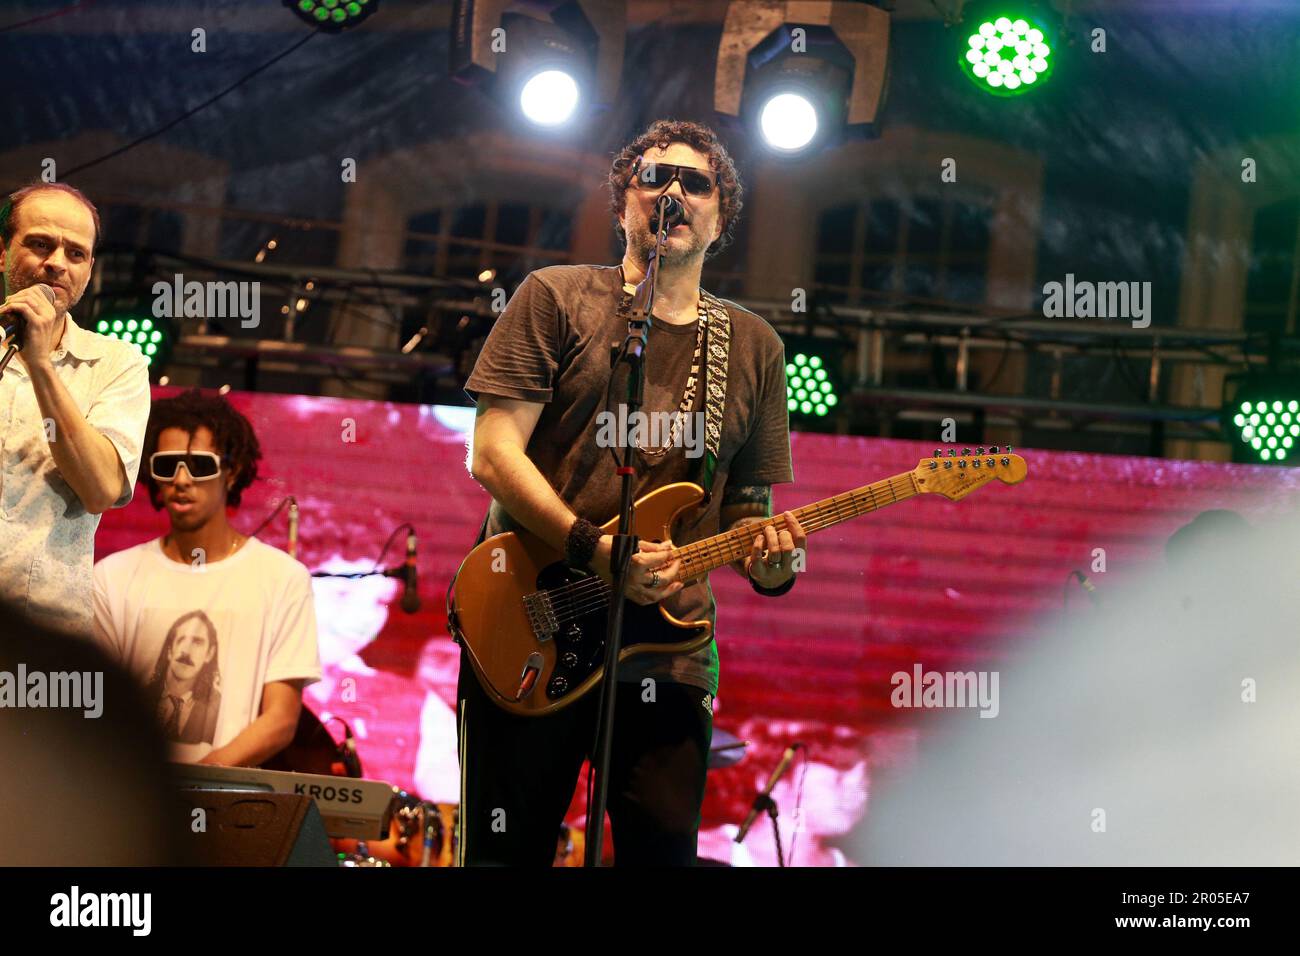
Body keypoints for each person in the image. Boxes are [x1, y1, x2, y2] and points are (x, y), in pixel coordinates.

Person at [458, 118, 805, 865]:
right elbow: (492, 456)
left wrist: (774, 566)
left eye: (696, 183)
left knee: (660, 853)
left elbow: (750, 514)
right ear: (624, 206)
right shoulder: (555, 298)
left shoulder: (754, 348)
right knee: (503, 852)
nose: (673, 192)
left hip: (667, 648)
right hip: (534, 619)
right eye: (654, 178)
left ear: (721, 218)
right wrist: (594, 547)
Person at [92, 389, 321, 766]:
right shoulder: (112, 578)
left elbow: (280, 719)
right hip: (127, 799)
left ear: (230, 473)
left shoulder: (282, 579)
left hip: (227, 803)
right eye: (167, 466)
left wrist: (199, 782)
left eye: (199, 466)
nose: (181, 480)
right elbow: (100, 703)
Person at [0, 182, 150, 637]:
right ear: (3, 252)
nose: (56, 263)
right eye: (40, 243)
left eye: (76, 253)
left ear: (88, 271)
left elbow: (102, 488)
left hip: (42, 644)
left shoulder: (117, 364)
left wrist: (41, 362)